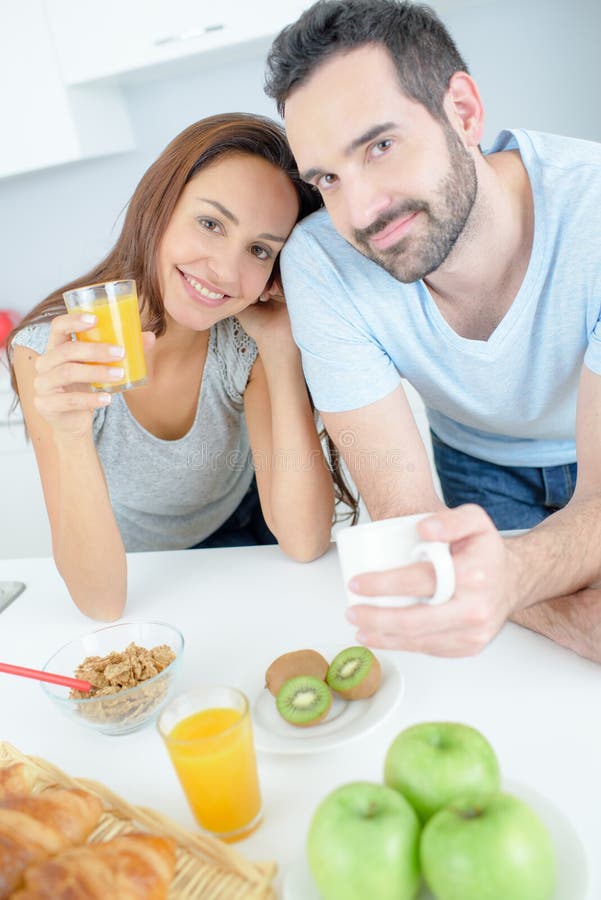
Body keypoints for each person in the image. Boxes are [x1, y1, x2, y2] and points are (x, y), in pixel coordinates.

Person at [264, 0, 601, 661]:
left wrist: (511, 584)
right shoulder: (322, 262)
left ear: (464, 113)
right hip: (478, 473)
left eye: (380, 146)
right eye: (327, 178)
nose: (359, 210)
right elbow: (406, 516)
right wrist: (523, 595)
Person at [8, 113, 356, 622]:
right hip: (139, 564)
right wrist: (70, 433)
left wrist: (282, 352)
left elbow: (303, 542)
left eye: (259, 250)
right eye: (211, 223)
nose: (225, 272)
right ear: (161, 204)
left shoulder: (244, 336)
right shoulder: (56, 350)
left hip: (251, 531)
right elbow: (101, 602)